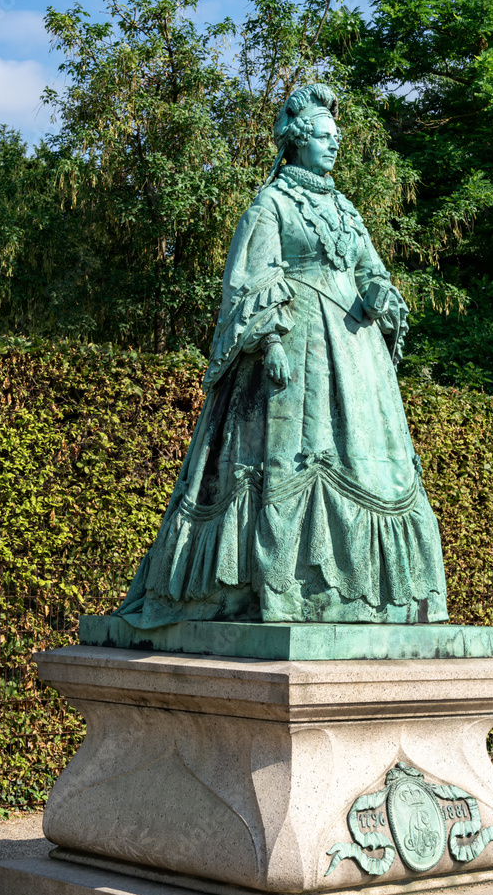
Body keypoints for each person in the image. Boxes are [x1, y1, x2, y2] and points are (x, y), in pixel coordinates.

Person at [116, 83, 448, 626]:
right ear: (296, 142)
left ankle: (366, 596)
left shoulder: (344, 207)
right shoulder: (270, 204)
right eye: (323, 136)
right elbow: (250, 280)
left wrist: (380, 294)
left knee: (372, 466)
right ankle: (288, 588)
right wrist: (270, 340)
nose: (333, 145)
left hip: (358, 353)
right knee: (289, 464)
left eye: (336, 136)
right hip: (298, 348)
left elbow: (369, 269)